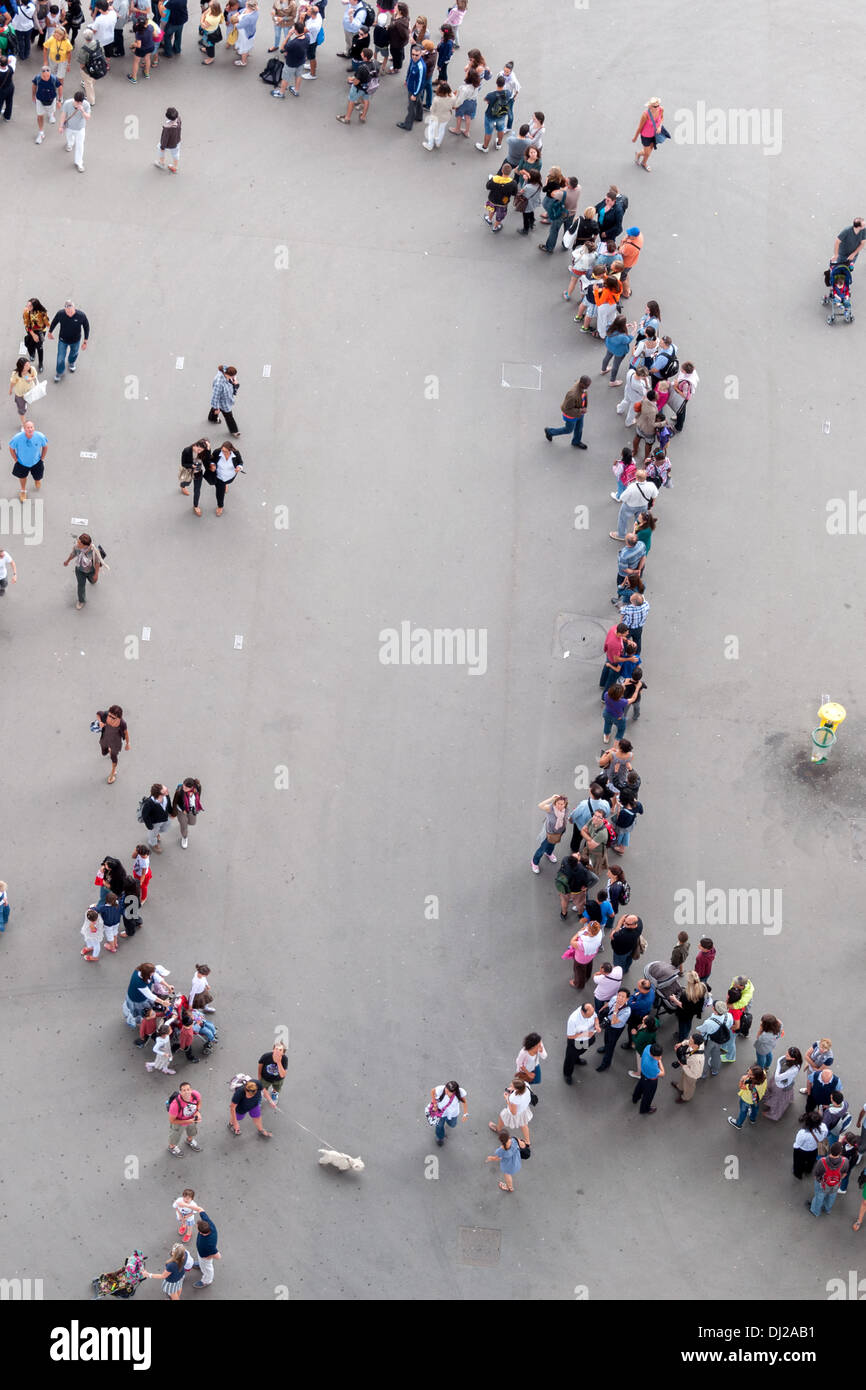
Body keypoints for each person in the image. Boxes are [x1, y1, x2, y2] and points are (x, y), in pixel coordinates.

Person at [543, 374, 591, 449]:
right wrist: (580, 410)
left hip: (580, 413)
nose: (588, 387)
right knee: (568, 430)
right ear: (581, 384)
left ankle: (576, 442)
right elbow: (566, 409)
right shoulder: (572, 395)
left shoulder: (583, 388)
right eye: (587, 385)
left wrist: (582, 409)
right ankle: (549, 432)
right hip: (571, 416)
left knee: (579, 428)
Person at [47, 300, 89, 381]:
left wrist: (85, 341)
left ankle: (71, 362)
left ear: (74, 308)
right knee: (60, 358)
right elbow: (54, 322)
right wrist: (50, 332)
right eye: (67, 312)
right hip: (63, 340)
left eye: (71, 311)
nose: (69, 314)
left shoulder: (81, 316)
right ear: (65, 309)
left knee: (74, 353)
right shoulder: (61, 314)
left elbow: (86, 327)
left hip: (75, 340)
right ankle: (59, 372)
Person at [9, 420, 48, 505]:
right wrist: (16, 459)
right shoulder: (17, 438)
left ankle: (37, 480)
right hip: (22, 463)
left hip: (36, 462)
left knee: (38, 476)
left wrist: (42, 458)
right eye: (28, 427)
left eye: (31, 427)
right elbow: (11, 448)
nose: (30, 429)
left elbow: (45, 446)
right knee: (22, 478)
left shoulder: (40, 436)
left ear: (34, 428)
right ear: (24, 429)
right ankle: (23, 491)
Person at [64, 532, 103, 612]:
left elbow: (97, 563)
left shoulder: (94, 551)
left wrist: (96, 574)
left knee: (93, 580)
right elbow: (73, 554)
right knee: (81, 586)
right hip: (80, 570)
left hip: (91, 571)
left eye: (79, 543)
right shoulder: (77, 547)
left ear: (85, 545)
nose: (77, 543)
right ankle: (81, 601)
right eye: (78, 541)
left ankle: (92, 580)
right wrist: (67, 561)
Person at [530, 792, 568, 872]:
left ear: (565, 804)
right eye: (558, 803)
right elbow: (540, 805)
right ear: (555, 803)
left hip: (559, 832)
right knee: (542, 848)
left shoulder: (565, 810)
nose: (560, 806)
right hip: (549, 833)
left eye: (562, 804)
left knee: (552, 845)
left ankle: (548, 853)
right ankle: (534, 862)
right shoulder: (550, 808)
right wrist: (551, 798)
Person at [563, 1001, 600, 1082]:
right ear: (583, 1012)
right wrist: (586, 1034)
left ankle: (577, 1059)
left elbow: (595, 1017)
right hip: (576, 1041)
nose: (591, 1016)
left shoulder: (591, 1011)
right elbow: (570, 1036)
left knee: (581, 1050)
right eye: (589, 1016)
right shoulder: (573, 1020)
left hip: (586, 1038)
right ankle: (567, 1074)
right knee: (570, 1058)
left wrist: (597, 1025)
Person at [204, 439, 244, 515]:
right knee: (219, 493)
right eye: (222, 450)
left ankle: (226, 485)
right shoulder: (217, 452)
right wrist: (212, 464)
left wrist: (239, 467)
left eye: (225, 451)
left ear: (230, 450)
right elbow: (211, 460)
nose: (223, 452)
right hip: (219, 477)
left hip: (230, 477)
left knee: (226, 483)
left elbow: (240, 462)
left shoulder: (236, 453)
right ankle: (220, 506)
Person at [489, 1076, 532, 1146]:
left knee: (502, 1116)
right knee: (524, 1124)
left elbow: (513, 1112)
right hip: (524, 1110)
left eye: (512, 1086)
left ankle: (498, 1129)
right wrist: (513, 1090)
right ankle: (527, 1141)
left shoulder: (514, 1098)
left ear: (516, 1089)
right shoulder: (526, 1085)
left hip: (516, 1112)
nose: (510, 1086)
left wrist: (507, 1098)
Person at [595, 988, 631, 1071]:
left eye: (623, 996)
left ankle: (606, 1064)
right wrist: (602, 1009)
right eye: (619, 995)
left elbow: (614, 1022)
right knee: (606, 1038)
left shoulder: (627, 1011)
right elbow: (609, 1004)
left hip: (616, 1029)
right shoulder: (615, 998)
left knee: (611, 1046)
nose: (620, 998)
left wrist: (616, 1010)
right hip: (608, 1024)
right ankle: (605, 1048)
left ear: (627, 999)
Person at [762, 1047, 802, 1121]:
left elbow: (777, 1077)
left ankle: (774, 1114)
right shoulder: (793, 1061)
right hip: (779, 1081)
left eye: (788, 1055)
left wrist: (779, 1065)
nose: (785, 1055)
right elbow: (778, 1075)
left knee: (778, 1101)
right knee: (771, 1089)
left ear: (793, 1059)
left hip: (781, 1086)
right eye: (786, 1053)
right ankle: (769, 1100)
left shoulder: (794, 1069)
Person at [336, 44, 374, 121]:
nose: (360, 54)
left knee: (351, 101)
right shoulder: (374, 64)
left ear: (365, 58)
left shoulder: (362, 68)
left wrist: (351, 80)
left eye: (362, 54)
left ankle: (347, 118)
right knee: (366, 100)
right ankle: (363, 116)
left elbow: (356, 82)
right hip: (368, 86)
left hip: (359, 88)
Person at [697, 999, 733, 1077]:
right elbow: (730, 1026)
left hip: (709, 1041)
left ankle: (703, 1073)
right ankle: (715, 1070)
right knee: (716, 1054)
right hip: (720, 1040)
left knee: (705, 1056)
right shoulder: (729, 1016)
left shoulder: (709, 1022)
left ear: (715, 1011)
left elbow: (701, 1030)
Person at [554, 851, 594, 920]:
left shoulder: (565, 860)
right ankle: (580, 914)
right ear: (577, 862)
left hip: (564, 888)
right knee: (579, 904)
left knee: (564, 901)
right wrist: (585, 887)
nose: (578, 853)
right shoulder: (581, 869)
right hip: (576, 891)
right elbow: (585, 881)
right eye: (578, 855)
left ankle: (564, 914)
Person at [58, 86, 90, 170]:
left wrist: (82, 110)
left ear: (82, 101)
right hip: (69, 127)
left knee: (80, 145)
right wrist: (61, 126)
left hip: (80, 129)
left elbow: (87, 117)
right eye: (76, 102)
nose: (77, 104)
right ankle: (70, 144)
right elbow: (63, 115)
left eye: (80, 102)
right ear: (74, 99)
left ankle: (79, 162)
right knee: (69, 138)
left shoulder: (86, 105)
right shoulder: (67, 103)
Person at [94, 704, 129, 781]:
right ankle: (109, 750)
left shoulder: (122, 723)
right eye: (109, 715)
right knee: (104, 753)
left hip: (115, 742)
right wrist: (100, 722)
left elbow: (126, 733)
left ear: (118, 717)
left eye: (113, 717)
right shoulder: (106, 714)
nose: (110, 718)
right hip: (105, 738)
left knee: (114, 757)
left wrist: (127, 743)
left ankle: (113, 773)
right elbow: (98, 714)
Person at [428, 1079, 467, 1145]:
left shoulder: (460, 1092)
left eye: (449, 1091)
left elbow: (464, 1102)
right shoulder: (441, 1089)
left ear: (454, 1091)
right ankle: (440, 1137)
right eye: (446, 1088)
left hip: (453, 1113)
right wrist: (434, 1104)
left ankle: (447, 1121)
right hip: (440, 1113)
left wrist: (465, 1114)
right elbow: (432, 1091)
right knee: (439, 1126)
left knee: (452, 1125)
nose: (446, 1091)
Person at [168, 1081, 203, 1154]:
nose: (187, 1092)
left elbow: (199, 1102)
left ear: (191, 1090)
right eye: (184, 1090)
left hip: (192, 1119)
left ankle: (189, 1140)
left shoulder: (195, 1094)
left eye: (188, 1089)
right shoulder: (175, 1105)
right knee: (175, 1136)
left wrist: (197, 1112)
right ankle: (172, 1147)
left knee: (192, 1131)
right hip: (179, 1122)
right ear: (180, 1092)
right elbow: (172, 1120)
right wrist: (188, 1121)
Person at [273, 17, 306, 93]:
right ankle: (296, 90)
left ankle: (281, 92)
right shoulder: (307, 37)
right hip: (301, 61)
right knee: (298, 75)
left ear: (295, 31)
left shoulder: (293, 43)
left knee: (285, 78)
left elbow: (282, 49)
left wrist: (288, 35)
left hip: (291, 63)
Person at [569, 918, 603, 991]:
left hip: (580, 959)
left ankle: (578, 984)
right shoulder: (599, 932)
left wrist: (578, 933)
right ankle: (587, 976)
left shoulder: (583, 944)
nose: (586, 928)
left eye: (588, 928)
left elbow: (572, 942)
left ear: (590, 932)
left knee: (579, 972)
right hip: (591, 955)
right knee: (588, 966)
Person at [123, 961, 159, 1029]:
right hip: (138, 1001)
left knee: (143, 1011)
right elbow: (149, 995)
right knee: (138, 1013)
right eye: (152, 973)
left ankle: (139, 1019)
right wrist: (163, 1002)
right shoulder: (139, 982)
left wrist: (167, 985)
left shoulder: (139, 972)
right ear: (147, 974)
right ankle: (138, 1022)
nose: (153, 974)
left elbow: (156, 976)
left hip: (139, 997)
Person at [673, 972, 707, 1042]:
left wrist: (675, 1000)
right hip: (693, 1012)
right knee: (688, 1023)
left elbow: (683, 1006)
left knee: (682, 1025)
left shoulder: (685, 995)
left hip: (684, 1013)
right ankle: (686, 1033)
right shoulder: (702, 988)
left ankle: (682, 1039)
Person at [671, 1034, 705, 1103]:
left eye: (691, 1041)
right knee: (684, 1077)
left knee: (689, 1086)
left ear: (695, 1045)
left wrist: (683, 1065)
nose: (688, 1041)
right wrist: (681, 1043)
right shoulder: (700, 1044)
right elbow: (687, 1042)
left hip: (692, 1075)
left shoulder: (696, 1059)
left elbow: (695, 1074)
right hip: (688, 1067)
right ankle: (680, 1087)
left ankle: (686, 1097)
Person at [632, 97, 664, 170]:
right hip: (646, 136)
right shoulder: (645, 115)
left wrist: (659, 127)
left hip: (654, 135)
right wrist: (635, 138)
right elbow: (640, 127)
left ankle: (644, 162)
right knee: (647, 153)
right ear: (650, 106)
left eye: (658, 105)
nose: (657, 107)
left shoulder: (661, 109)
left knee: (648, 152)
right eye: (655, 106)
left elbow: (662, 118)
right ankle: (639, 154)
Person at [207, 365, 240, 435]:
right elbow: (215, 396)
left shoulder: (226, 372)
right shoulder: (219, 384)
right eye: (232, 377)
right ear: (227, 374)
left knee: (214, 410)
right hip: (223, 402)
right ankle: (234, 431)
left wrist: (235, 382)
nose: (234, 378)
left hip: (225, 399)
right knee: (229, 416)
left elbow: (232, 381)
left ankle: (212, 418)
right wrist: (216, 408)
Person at [632, 1040, 663, 1114]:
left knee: (639, 1086)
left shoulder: (648, 1047)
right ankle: (644, 1109)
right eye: (659, 1056)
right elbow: (662, 1073)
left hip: (643, 1074)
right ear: (654, 1056)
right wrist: (660, 1061)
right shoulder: (652, 1066)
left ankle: (635, 1098)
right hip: (651, 1081)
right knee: (648, 1096)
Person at [32, 63, 60, 142]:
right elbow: (34, 86)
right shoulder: (37, 78)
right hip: (40, 100)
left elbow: (60, 87)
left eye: (47, 76)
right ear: (41, 74)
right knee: (40, 116)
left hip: (52, 99)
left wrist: (60, 100)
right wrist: (33, 96)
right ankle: (41, 133)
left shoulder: (54, 79)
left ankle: (51, 115)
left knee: (52, 111)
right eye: (44, 76)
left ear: (50, 73)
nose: (46, 77)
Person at [171, 778, 203, 848]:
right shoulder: (179, 791)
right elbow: (175, 802)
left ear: (191, 787)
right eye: (183, 786)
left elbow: (199, 795)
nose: (183, 788)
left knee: (192, 822)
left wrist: (196, 804)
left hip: (192, 809)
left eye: (186, 788)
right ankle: (184, 837)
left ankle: (184, 824)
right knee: (183, 824)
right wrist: (176, 812)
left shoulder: (197, 787)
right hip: (181, 810)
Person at [420, 77, 452, 147]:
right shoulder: (451, 97)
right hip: (446, 117)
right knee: (441, 130)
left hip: (436, 117)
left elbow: (432, 109)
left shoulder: (436, 99)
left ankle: (430, 145)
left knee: (431, 131)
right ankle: (438, 142)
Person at [22, 298, 51, 372]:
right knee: (30, 344)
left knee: (39, 347)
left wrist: (50, 331)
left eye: (29, 306)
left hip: (41, 331)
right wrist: (33, 335)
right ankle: (32, 353)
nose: (27, 307)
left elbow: (46, 322)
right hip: (31, 330)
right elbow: (27, 325)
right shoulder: (26, 311)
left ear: (35, 306)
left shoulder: (42, 312)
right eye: (27, 305)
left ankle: (40, 363)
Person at [192, 1214, 220, 1287]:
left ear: (201, 1232)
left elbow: (218, 1256)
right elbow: (200, 1209)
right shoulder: (210, 1225)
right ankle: (200, 1265)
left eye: (197, 1227)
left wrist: (209, 1257)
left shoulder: (209, 1244)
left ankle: (206, 1281)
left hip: (205, 1257)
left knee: (207, 1269)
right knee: (201, 1262)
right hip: (201, 1253)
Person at [141, 783, 171, 851]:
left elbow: (169, 805)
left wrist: (171, 812)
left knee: (165, 828)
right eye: (165, 791)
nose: (167, 791)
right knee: (152, 835)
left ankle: (157, 833)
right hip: (155, 822)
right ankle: (153, 844)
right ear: (159, 795)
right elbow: (145, 815)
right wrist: (150, 826)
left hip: (164, 818)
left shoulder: (166, 796)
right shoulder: (149, 803)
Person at [154, 106, 181, 171]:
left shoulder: (167, 128)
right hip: (177, 141)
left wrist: (162, 147)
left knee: (160, 150)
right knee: (175, 154)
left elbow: (164, 139)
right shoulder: (179, 120)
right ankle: (175, 167)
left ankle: (161, 163)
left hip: (169, 144)